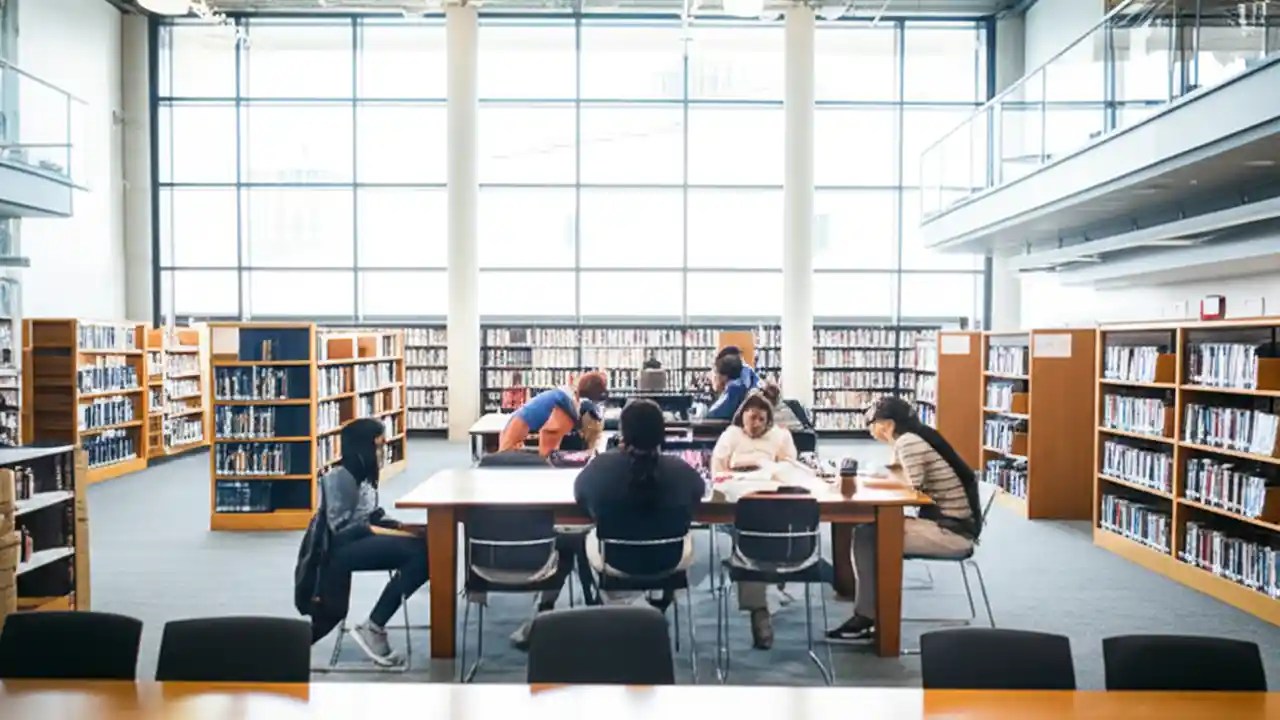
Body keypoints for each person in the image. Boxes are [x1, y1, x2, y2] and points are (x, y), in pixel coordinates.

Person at [826, 396, 983, 642]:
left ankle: (869, 617)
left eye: (872, 424)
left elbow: (910, 492)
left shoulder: (908, 442)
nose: (870, 430)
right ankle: (869, 612)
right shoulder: (917, 437)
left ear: (887, 424)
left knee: (870, 536)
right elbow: (901, 478)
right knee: (867, 533)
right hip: (950, 524)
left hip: (952, 533)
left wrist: (866, 484)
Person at [575, 399, 705, 603]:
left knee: (577, 539)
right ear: (662, 433)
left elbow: (581, 499)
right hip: (670, 559)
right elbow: (698, 498)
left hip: (615, 560)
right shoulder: (682, 471)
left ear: (622, 432)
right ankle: (662, 603)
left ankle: (597, 604)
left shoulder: (600, 468)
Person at [321, 418, 427, 666]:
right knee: (422, 555)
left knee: (430, 544)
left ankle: (375, 624)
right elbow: (340, 530)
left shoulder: (364, 476)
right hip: (343, 549)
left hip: (365, 537)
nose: (382, 452)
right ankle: (374, 625)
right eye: (378, 446)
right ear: (362, 446)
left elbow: (373, 513)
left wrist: (405, 527)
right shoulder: (340, 478)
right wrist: (391, 534)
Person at [711, 390, 799, 649]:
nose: (756, 424)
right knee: (751, 536)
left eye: (762, 419)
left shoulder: (781, 436)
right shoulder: (730, 436)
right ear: (742, 417)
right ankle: (759, 609)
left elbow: (791, 471)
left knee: (753, 541)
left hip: (774, 502)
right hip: (739, 501)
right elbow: (717, 470)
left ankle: (763, 598)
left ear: (769, 419)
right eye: (752, 418)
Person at [498, 371, 608, 456]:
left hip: (513, 430)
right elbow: (548, 438)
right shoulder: (565, 407)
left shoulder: (564, 397)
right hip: (512, 441)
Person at [705, 346, 760, 421]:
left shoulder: (733, 393)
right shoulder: (749, 386)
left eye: (714, 372)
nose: (710, 376)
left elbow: (711, 418)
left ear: (723, 376)